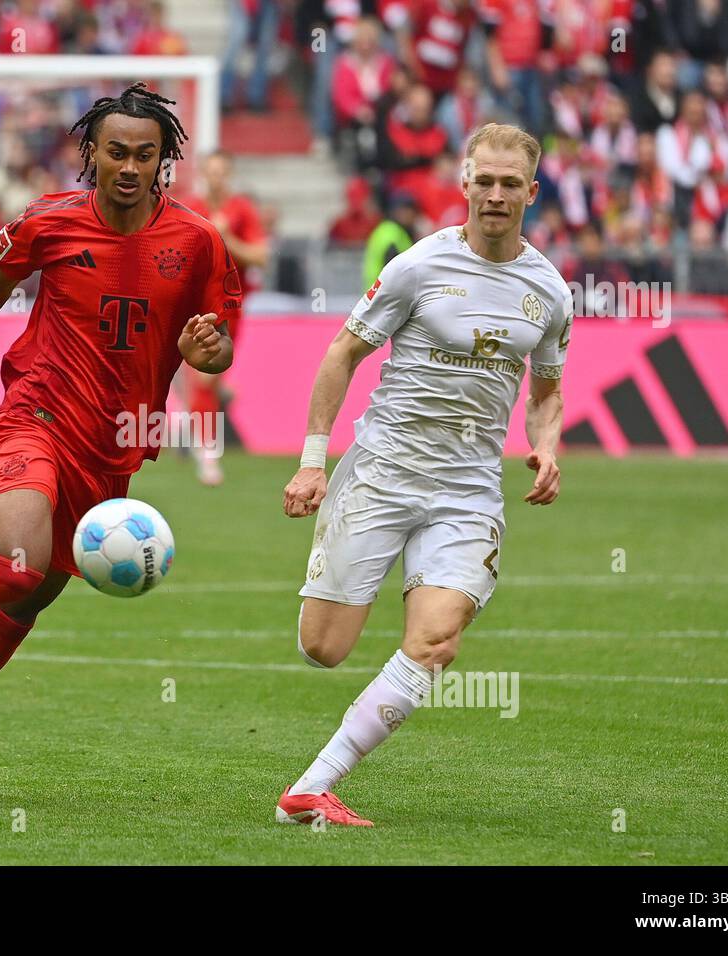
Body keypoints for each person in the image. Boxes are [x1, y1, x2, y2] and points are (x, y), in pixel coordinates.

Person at [0, 84, 241, 802]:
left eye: (145, 154)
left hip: (115, 450)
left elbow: (217, 350)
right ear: (91, 156)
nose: (129, 167)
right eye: (116, 153)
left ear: (164, 160)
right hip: (35, 415)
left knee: (22, 608)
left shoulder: (197, 243)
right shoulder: (48, 224)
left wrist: (208, 348)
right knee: (15, 569)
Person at [275, 123, 571, 826]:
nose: (496, 195)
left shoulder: (550, 291)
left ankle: (311, 788)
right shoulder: (417, 266)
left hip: (467, 488)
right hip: (383, 469)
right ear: (464, 184)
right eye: (484, 181)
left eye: (511, 184)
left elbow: (548, 390)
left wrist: (547, 446)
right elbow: (343, 352)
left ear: (531, 192)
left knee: (437, 640)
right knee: (325, 648)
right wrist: (313, 461)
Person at [181, 149, 269, 485]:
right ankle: (207, 453)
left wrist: (225, 238)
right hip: (193, 305)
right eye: (211, 171)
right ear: (204, 173)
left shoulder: (241, 210)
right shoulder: (192, 208)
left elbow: (260, 257)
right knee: (203, 377)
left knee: (208, 377)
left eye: (222, 171)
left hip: (230, 307)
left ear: (229, 174)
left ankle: (202, 441)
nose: (216, 177)